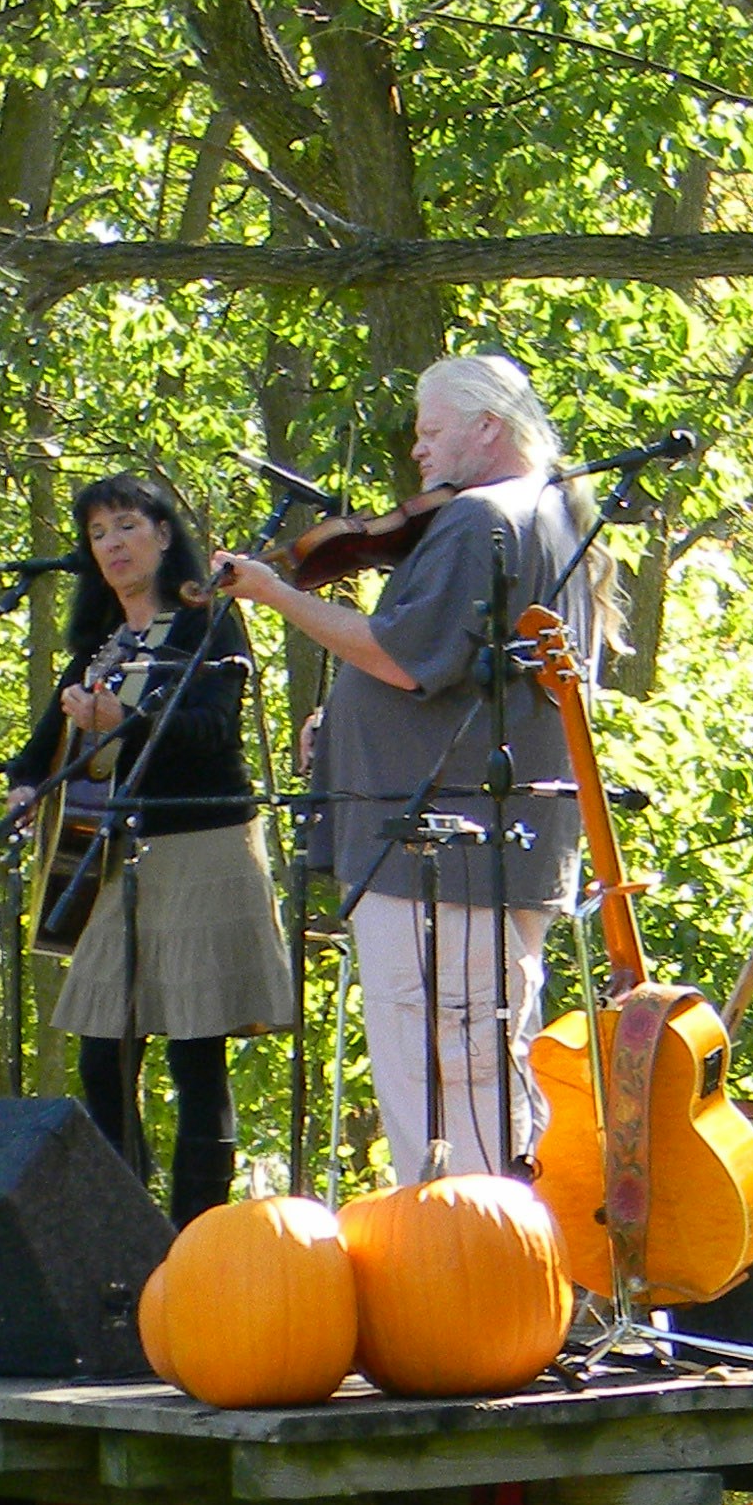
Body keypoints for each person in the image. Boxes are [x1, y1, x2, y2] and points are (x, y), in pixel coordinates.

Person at [215, 354, 615, 1185]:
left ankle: (474, 1273)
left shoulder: (481, 519)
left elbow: (403, 656)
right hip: (482, 844)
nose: (419, 452)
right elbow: (467, 669)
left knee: (445, 1066)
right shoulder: (546, 515)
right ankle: (495, 1259)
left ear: (487, 426)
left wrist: (273, 593)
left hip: (445, 850)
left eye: (432, 430)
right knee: (479, 1060)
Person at [3, 474, 284, 1225]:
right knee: (103, 1054)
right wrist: (24, 786)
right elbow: (42, 748)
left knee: (196, 1052)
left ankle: (198, 1236)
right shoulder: (98, 644)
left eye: (127, 526)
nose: (113, 545)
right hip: (111, 860)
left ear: (164, 536)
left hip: (202, 845)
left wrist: (120, 715)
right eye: (98, 535)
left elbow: (211, 729)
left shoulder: (206, 625)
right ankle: (127, 1224)